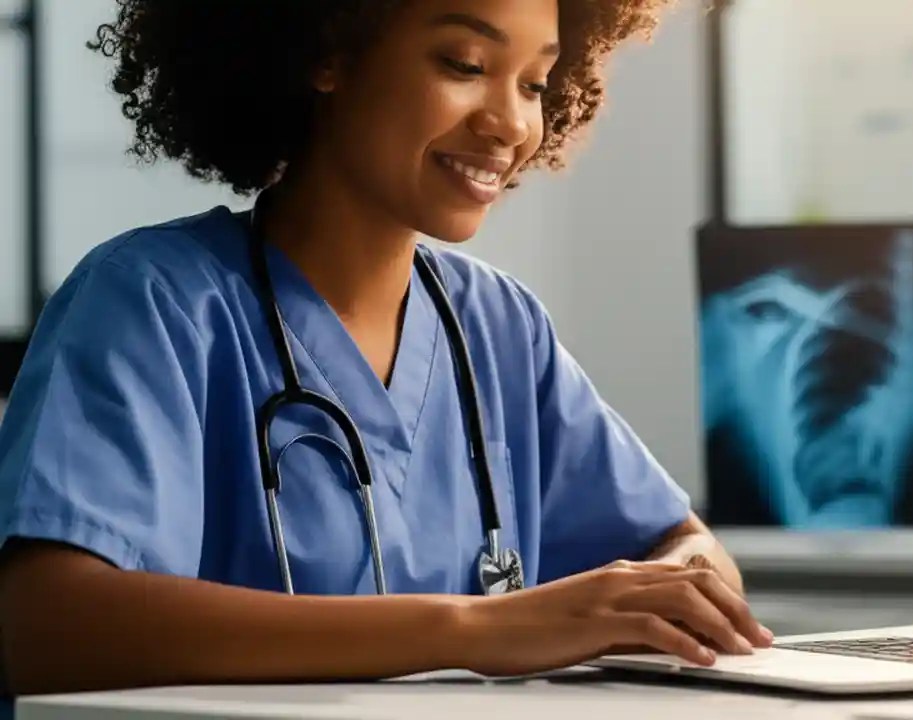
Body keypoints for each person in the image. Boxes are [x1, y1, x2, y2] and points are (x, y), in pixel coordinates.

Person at [0, 0, 771, 697]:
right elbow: (42, 621)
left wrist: (664, 591)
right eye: (465, 66)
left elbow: (688, 549)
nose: (510, 122)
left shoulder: (500, 326)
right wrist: (481, 629)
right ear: (326, 54)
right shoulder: (156, 301)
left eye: (535, 84)